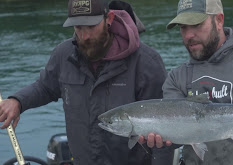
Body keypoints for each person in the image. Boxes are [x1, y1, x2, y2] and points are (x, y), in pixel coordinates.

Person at [0, 0, 168, 164]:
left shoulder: (146, 62)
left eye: (91, 26)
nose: (85, 36)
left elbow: (166, 129)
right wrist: (18, 101)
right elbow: (45, 88)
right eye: (79, 27)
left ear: (108, 19)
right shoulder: (63, 55)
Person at [140, 0, 233, 164]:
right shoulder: (176, 78)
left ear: (219, 20)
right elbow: (176, 138)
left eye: (196, 24)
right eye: (183, 27)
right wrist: (162, 140)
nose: (188, 35)